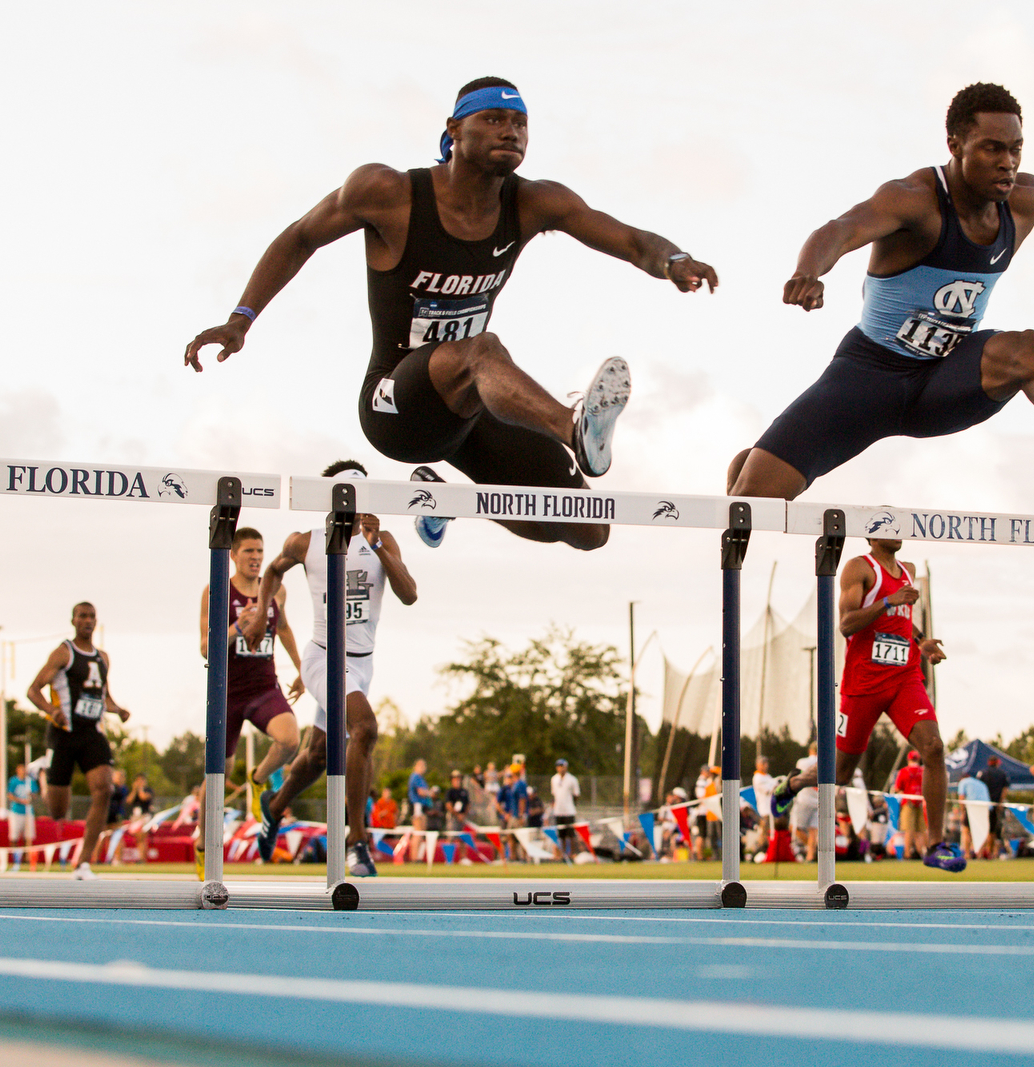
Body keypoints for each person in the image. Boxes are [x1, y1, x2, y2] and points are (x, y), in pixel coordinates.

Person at [184, 76, 719, 552]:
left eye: (520, 123)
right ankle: (572, 427)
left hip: (469, 412)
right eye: (493, 119)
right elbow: (300, 237)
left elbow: (629, 239)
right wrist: (240, 318)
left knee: (587, 529)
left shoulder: (535, 203)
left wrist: (673, 260)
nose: (511, 132)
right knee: (482, 350)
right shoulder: (389, 192)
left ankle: (447, 502)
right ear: (453, 131)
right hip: (395, 403)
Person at [727, 82, 1034, 503]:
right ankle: (739, 537)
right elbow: (840, 230)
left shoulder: (1024, 199)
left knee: (1027, 348)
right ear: (955, 146)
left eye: (1016, 149)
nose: (1008, 163)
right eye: (992, 149)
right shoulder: (913, 199)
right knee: (751, 493)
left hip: (945, 382)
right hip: (866, 378)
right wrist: (810, 271)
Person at [247, 461, 419, 878]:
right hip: (323, 657)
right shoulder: (306, 542)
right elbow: (272, 571)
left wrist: (377, 545)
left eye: (362, 498)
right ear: (332, 499)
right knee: (365, 729)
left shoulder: (382, 539)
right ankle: (357, 843)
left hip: (362, 664)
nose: (355, 508)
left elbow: (409, 594)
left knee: (319, 755)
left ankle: (273, 807)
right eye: (347, 498)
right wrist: (259, 614)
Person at [770, 536, 959, 870]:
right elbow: (846, 624)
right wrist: (888, 600)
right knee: (840, 772)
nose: (898, 532)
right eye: (889, 525)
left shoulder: (907, 571)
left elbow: (899, 618)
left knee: (934, 747)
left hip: (904, 677)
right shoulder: (859, 568)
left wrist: (921, 641)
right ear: (872, 534)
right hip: (864, 683)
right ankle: (795, 783)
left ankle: (935, 845)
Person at [196, 525, 303, 878]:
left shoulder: (277, 590)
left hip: (263, 687)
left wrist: (303, 668)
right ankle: (201, 843)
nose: (256, 558)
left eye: (260, 551)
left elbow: (283, 628)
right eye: (249, 552)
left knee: (291, 738)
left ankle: (259, 779)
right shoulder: (217, 592)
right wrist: (235, 629)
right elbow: (204, 648)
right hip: (227, 692)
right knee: (217, 777)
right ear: (233, 555)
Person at [24, 602, 130, 879]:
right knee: (58, 810)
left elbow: (103, 696)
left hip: (92, 733)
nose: (87, 620)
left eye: (92, 616)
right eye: (82, 616)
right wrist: (51, 711)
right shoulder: (64, 653)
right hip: (63, 733)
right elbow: (33, 690)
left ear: (96, 622)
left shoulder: (103, 658)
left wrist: (118, 709)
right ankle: (47, 775)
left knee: (104, 789)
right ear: (73, 620)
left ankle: (83, 862)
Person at [894, 750, 928, 858]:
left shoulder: (904, 771)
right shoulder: (923, 771)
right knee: (921, 830)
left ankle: (907, 854)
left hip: (908, 802)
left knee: (909, 829)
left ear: (908, 759)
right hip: (921, 802)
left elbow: (898, 788)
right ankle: (923, 853)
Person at [977, 755, 1010, 859]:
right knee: (992, 830)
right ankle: (990, 852)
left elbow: (979, 789)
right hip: (995, 805)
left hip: (984, 805)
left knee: (983, 828)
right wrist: (1000, 803)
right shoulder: (1002, 774)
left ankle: (981, 853)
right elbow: (1005, 790)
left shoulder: (983, 773)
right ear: (997, 763)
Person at [8, 762, 38, 871]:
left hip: (28, 811)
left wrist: (30, 795)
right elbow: (10, 794)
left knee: (28, 836)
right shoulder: (14, 781)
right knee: (14, 836)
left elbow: (35, 794)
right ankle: (14, 859)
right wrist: (21, 800)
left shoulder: (30, 781)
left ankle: (27, 859)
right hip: (16, 811)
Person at [550, 759, 582, 862]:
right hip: (558, 811)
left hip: (569, 810)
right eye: (558, 766)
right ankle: (564, 854)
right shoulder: (554, 779)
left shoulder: (572, 779)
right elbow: (554, 795)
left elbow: (576, 795)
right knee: (561, 835)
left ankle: (572, 854)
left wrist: (571, 804)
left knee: (571, 834)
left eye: (562, 766)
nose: (560, 768)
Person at [408, 759, 434, 842]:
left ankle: (418, 854)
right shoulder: (415, 776)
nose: (423, 768)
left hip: (422, 806)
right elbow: (421, 792)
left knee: (422, 833)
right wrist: (430, 793)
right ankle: (414, 855)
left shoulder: (421, 778)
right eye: (420, 765)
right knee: (418, 833)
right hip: (417, 806)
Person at [751, 756, 775, 837]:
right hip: (764, 809)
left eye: (766, 763)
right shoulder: (757, 777)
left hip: (771, 808)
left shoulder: (768, 776)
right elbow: (768, 790)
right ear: (758, 765)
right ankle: (761, 847)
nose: (766, 765)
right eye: (763, 763)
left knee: (771, 831)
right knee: (764, 830)